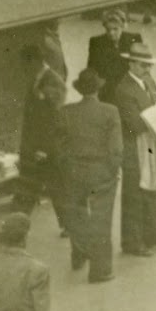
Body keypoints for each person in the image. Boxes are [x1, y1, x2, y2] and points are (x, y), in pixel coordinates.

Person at [113, 45, 156, 255]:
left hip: (151, 145)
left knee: (155, 188)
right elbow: (135, 123)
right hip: (134, 147)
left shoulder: (147, 80)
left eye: (149, 65)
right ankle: (133, 243)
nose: (147, 69)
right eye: (144, 65)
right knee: (135, 193)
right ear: (131, 64)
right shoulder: (123, 89)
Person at [57, 69, 121, 282]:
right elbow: (116, 149)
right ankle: (100, 270)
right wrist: (112, 170)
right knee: (101, 219)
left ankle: (79, 254)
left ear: (80, 89)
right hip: (101, 171)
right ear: (98, 88)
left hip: (74, 171)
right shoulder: (110, 111)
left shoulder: (66, 111)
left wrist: (68, 165)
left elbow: (59, 144)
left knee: (77, 213)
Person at [15, 45, 66, 218]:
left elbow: (53, 119)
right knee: (42, 183)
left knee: (52, 184)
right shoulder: (38, 77)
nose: (24, 68)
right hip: (35, 145)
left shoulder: (53, 81)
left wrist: (44, 148)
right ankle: (23, 218)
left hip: (45, 146)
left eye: (26, 64)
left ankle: (67, 223)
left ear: (35, 61)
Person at [86, 9, 144, 95]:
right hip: (107, 89)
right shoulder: (96, 42)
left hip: (130, 88)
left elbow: (142, 66)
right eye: (108, 29)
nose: (111, 33)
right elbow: (91, 69)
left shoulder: (135, 38)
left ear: (123, 26)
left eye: (115, 29)